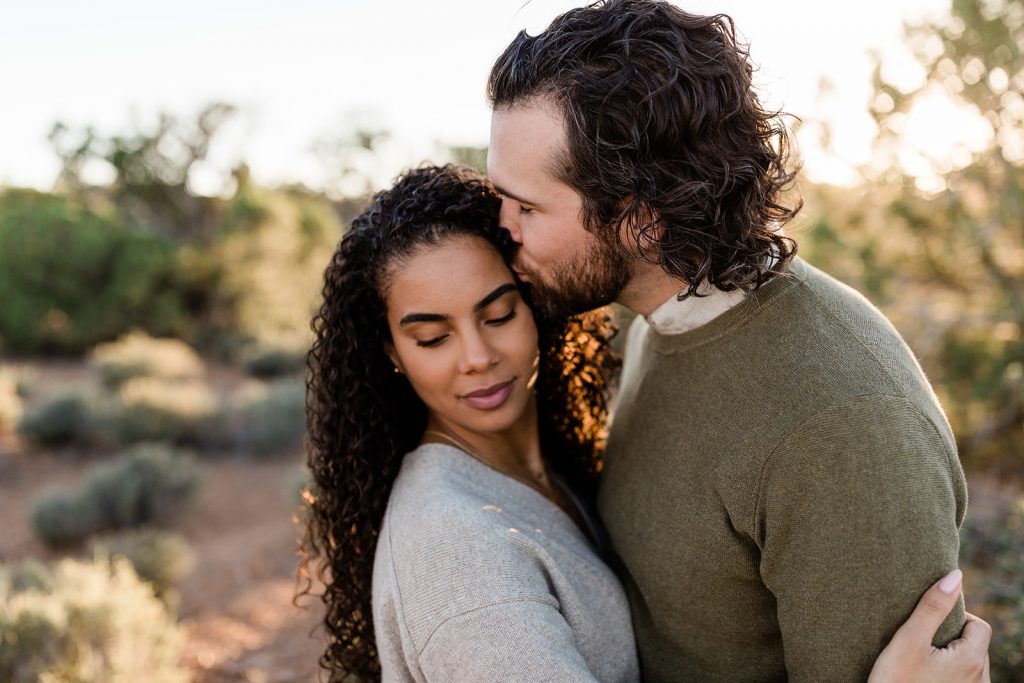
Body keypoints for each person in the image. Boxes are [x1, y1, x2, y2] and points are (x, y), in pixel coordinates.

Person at [297, 164, 989, 683]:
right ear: (390, 353)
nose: (477, 358)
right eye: (431, 336)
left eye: (498, 313)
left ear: (535, 302)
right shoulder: (455, 552)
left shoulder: (538, 466)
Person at [484, 1, 991, 681]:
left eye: (527, 206)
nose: (501, 226)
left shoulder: (845, 426)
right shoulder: (657, 320)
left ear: (640, 221)